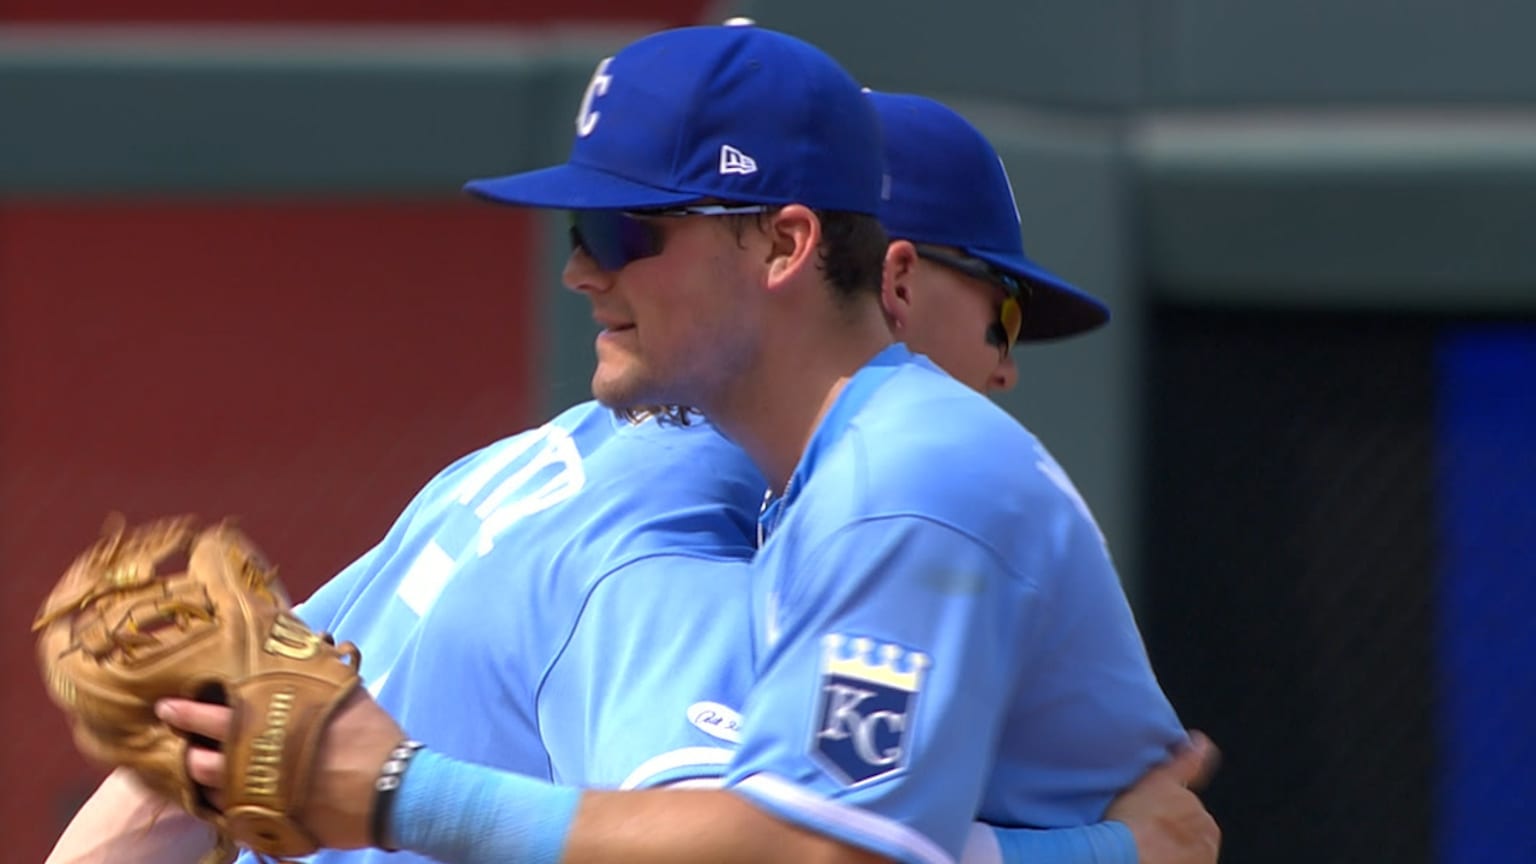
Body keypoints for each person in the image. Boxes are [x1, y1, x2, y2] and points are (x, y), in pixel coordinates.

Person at [49, 25, 1217, 864]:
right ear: (870, 265)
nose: (580, 269)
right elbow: (784, 855)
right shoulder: (706, 511)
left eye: (619, 228)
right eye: (998, 307)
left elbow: (151, 798)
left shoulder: (539, 466)